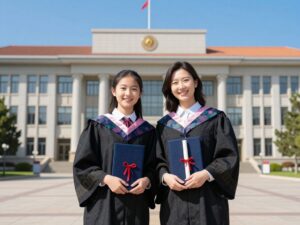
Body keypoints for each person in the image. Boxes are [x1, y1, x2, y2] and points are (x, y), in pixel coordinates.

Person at [156, 61, 239, 225]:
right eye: (175, 82)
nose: (181, 86)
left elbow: (228, 156)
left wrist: (206, 174)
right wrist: (165, 177)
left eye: (185, 80)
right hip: (175, 203)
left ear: (195, 82)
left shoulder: (215, 119)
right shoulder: (164, 125)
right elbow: (157, 160)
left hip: (208, 202)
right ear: (169, 88)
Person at [73, 70, 156, 225]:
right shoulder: (98, 126)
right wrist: (106, 179)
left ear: (140, 93)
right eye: (123, 88)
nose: (128, 93)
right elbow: (82, 166)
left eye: (134, 89)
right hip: (104, 205)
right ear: (113, 91)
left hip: (136, 208)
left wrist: (147, 180)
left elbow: (153, 166)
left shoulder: (148, 131)